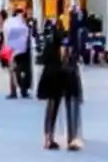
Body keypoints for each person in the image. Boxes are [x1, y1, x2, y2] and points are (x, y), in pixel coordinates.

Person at [37, 19, 83, 150]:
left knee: (52, 104)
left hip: (49, 72)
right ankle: (72, 138)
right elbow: (64, 54)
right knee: (70, 102)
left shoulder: (48, 39)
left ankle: (48, 137)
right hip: (61, 72)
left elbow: (43, 57)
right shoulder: (63, 37)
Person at [2, 8, 32, 98]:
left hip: (12, 50)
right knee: (22, 71)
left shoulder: (9, 23)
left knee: (13, 72)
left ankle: (14, 91)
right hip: (22, 51)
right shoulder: (23, 24)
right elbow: (27, 36)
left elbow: (5, 35)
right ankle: (23, 91)